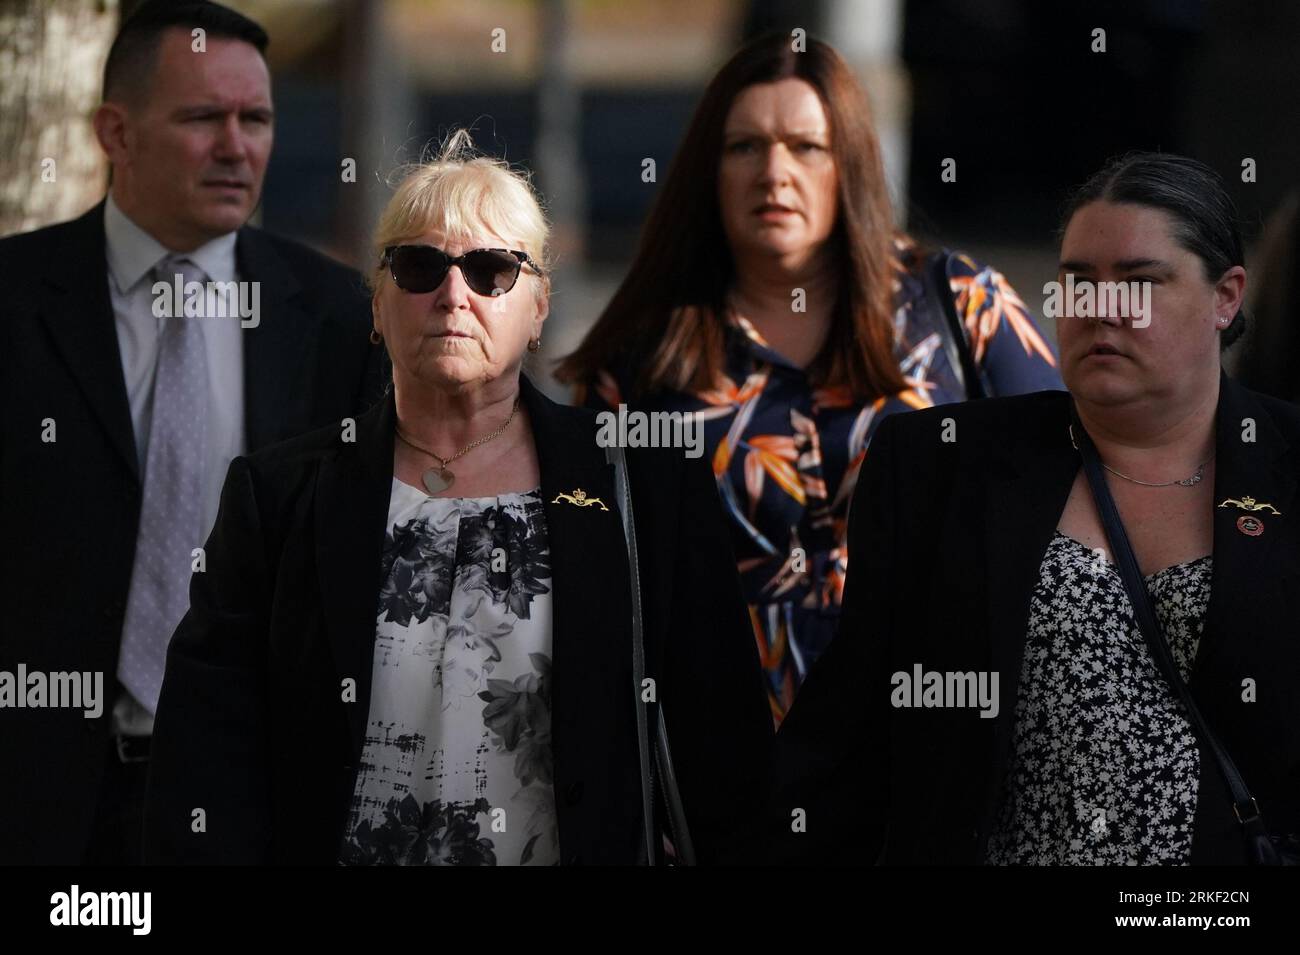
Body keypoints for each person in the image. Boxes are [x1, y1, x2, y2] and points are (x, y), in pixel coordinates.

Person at [143, 131, 772, 866]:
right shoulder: (280, 495)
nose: (453, 294)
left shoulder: (643, 484)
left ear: (539, 307)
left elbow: (724, 758)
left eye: (490, 270)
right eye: (419, 267)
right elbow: (209, 757)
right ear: (378, 305)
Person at [772, 152, 1300, 865]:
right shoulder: (940, 466)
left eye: (1140, 283)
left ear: (1225, 296)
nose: (1100, 311)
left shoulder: (1287, 467)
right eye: (1077, 284)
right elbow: (851, 730)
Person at [556, 32, 1062, 725]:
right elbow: (599, 591)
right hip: (725, 769)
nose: (773, 172)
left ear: (848, 160)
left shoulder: (961, 308)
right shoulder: (639, 360)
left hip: (940, 747)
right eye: (744, 147)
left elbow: (1072, 501)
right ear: (709, 169)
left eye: (805, 146)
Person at [0, 0, 383, 865]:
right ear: (116, 132)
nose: (235, 146)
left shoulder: (336, 319)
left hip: (251, 795)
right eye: (202, 117)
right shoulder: (16, 300)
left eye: (256, 119)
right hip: (44, 795)